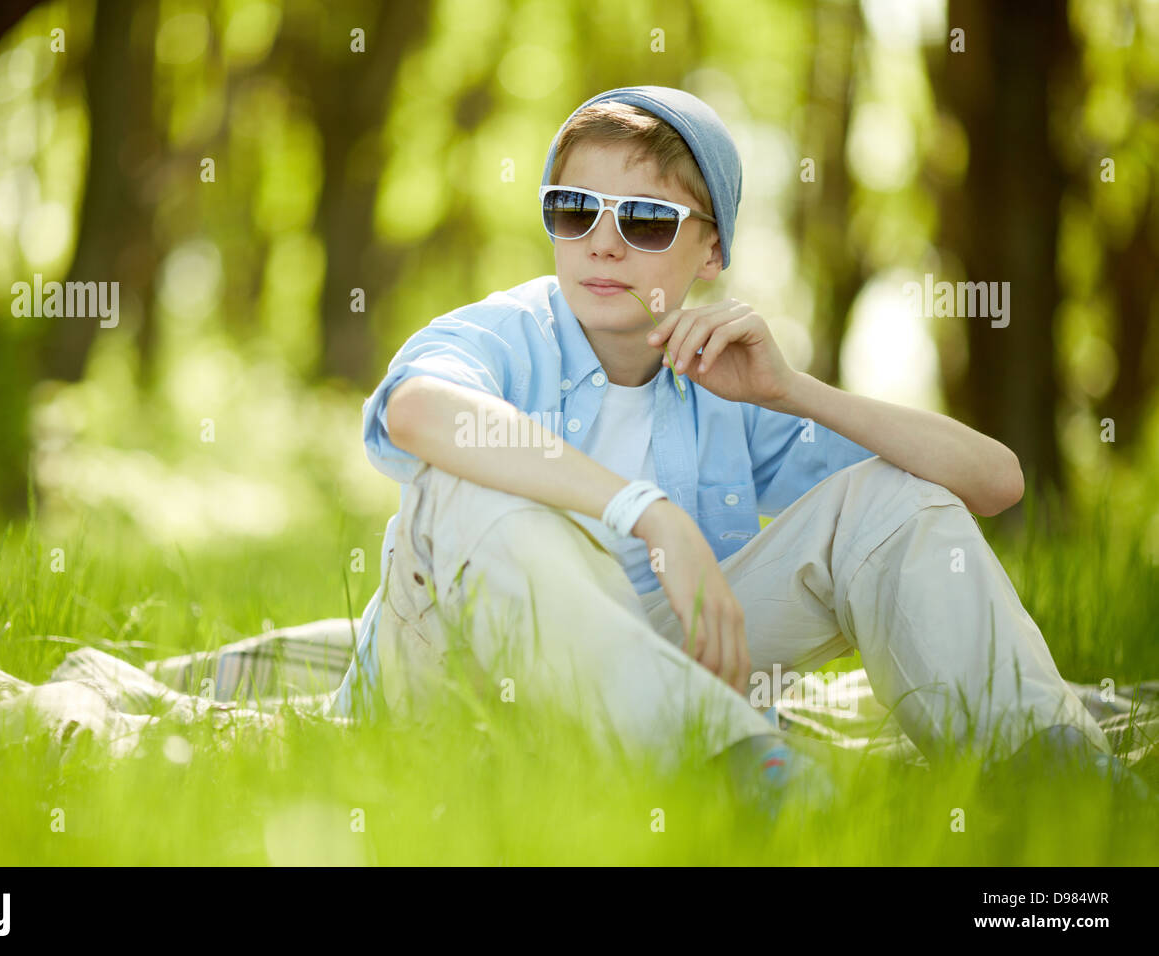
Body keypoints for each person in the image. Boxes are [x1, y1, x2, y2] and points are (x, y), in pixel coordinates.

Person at [326, 85, 1148, 816]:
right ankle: (741, 773)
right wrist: (647, 513)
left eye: (646, 219)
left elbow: (994, 482)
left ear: (712, 252)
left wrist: (789, 391)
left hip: (647, 663)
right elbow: (417, 413)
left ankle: (1049, 770)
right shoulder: (505, 332)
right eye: (574, 210)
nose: (603, 244)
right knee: (470, 481)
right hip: (455, 680)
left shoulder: (721, 383)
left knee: (894, 501)